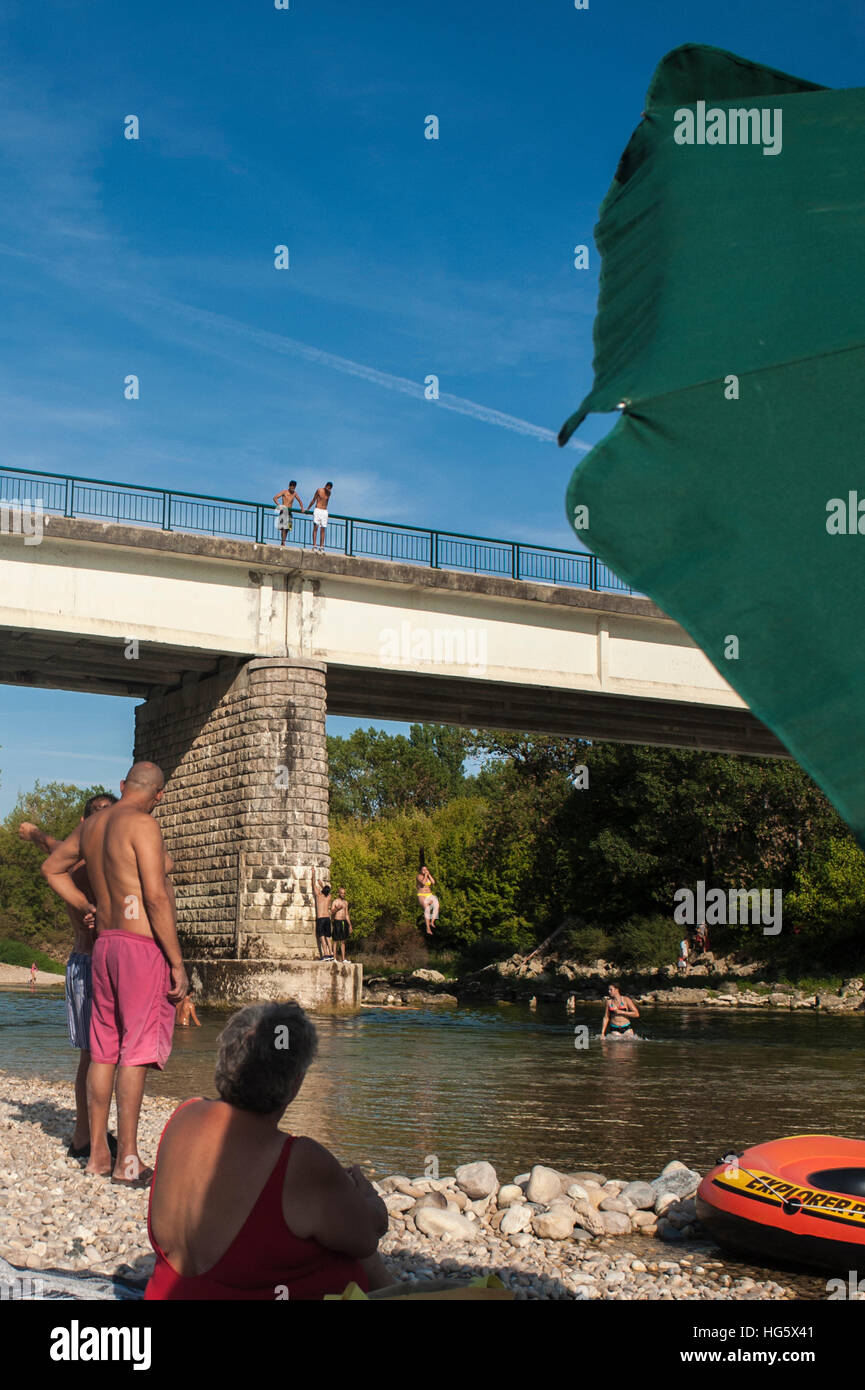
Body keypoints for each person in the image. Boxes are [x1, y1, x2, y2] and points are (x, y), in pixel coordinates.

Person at [144, 1002, 391, 1300]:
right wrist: (367, 1196)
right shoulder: (298, 1161)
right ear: (294, 1083)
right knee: (347, 1241)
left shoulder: (184, 1114)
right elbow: (368, 1236)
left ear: (225, 1061)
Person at [42, 762, 188, 1186]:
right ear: (158, 795)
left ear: (124, 786)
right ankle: (129, 1161)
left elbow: (51, 868)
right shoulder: (142, 824)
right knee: (136, 1051)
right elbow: (156, 897)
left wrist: (86, 906)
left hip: (103, 946)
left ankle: (98, 1156)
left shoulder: (93, 826)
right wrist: (176, 962)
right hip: (139, 948)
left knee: (103, 1049)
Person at [19, 794, 120, 1158]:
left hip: (79, 960)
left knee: (90, 1057)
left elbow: (53, 845)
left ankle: (85, 1135)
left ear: (83, 821)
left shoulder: (71, 861)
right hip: (103, 964)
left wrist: (35, 834)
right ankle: (94, 1139)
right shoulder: (113, 862)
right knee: (106, 1057)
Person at [272, 481, 304, 547]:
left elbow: (300, 501)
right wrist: (279, 505)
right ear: (289, 486)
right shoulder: (284, 492)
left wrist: (302, 508)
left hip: (289, 512)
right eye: (291, 486)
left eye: (294, 486)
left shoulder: (295, 494)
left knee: (287, 529)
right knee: (283, 527)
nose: (293, 487)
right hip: (283, 511)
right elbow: (275, 498)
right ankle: (283, 542)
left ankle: (283, 541)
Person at [311, 869, 334, 961]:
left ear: (322, 890)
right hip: (327, 918)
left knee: (322, 937)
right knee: (328, 937)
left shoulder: (318, 896)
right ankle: (331, 953)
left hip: (320, 919)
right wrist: (322, 884)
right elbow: (328, 891)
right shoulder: (329, 897)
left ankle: (325, 954)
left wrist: (313, 874)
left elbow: (313, 884)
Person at [308, 482, 333, 553]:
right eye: (328, 487)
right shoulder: (319, 490)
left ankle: (321, 546)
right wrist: (308, 508)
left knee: (323, 529)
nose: (328, 489)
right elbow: (313, 499)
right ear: (325, 486)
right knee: (316, 527)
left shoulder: (329, 493)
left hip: (324, 511)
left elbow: (326, 501)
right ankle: (314, 545)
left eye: (330, 488)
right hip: (318, 509)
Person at [416, 863, 439, 936]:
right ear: (420, 871)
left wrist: (429, 875)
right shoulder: (419, 876)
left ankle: (432, 922)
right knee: (427, 909)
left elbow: (433, 882)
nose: (425, 871)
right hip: (422, 895)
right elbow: (423, 883)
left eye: (426, 869)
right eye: (423, 869)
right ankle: (428, 928)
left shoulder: (428, 876)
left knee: (437, 905)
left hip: (429, 894)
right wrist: (425, 875)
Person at [330, 888, 352, 962]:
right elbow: (332, 912)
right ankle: (334, 958)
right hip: (337, 921)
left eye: (344, 893)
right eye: (342, 893)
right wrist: (337, 909)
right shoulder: (335, 901)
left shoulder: (346, 902)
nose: (343, 894)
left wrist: (350, 925)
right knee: (336, 940)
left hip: (343, 922)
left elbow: (347, 914)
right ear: (339, 893)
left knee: (343, 941)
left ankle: (343, 959)